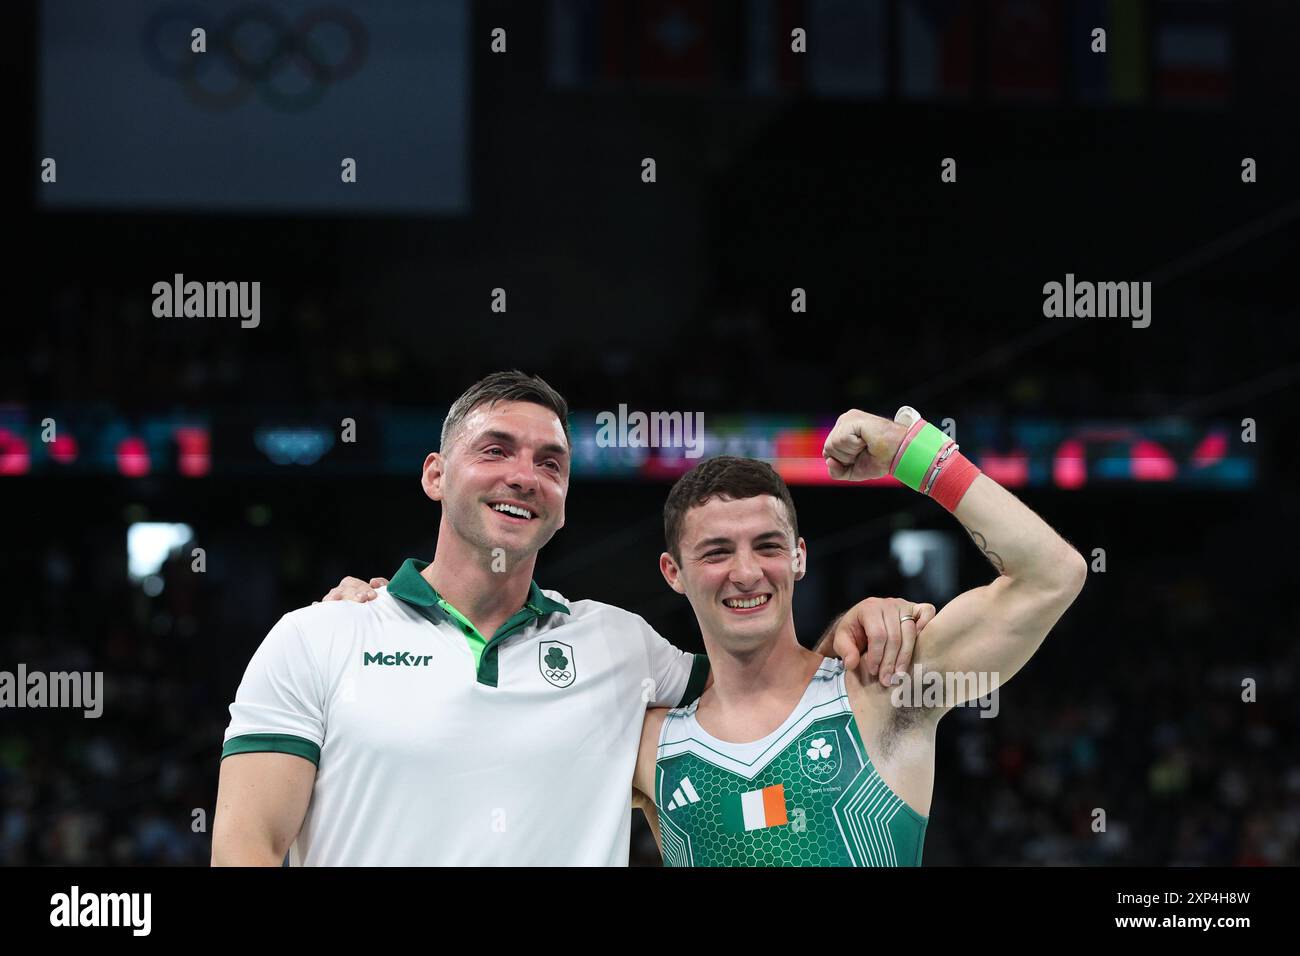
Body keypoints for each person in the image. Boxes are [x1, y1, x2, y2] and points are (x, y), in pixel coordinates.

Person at [212, 372, 931, 865]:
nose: (523, 475)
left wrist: (857, 626)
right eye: (495, 451)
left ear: (561, 501)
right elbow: (246, 847)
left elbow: (770, 681)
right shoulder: (317, 639)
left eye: (550, 463)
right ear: (435, 475)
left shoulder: (621, 647)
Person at [630, 406, 1087, 865]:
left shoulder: (886, 685)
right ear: (674, 573)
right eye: (717, 553)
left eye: (768, 546)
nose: (747, 573)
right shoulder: (647, 745)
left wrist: (916, 457)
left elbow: (1051, 576)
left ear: (799, 558)